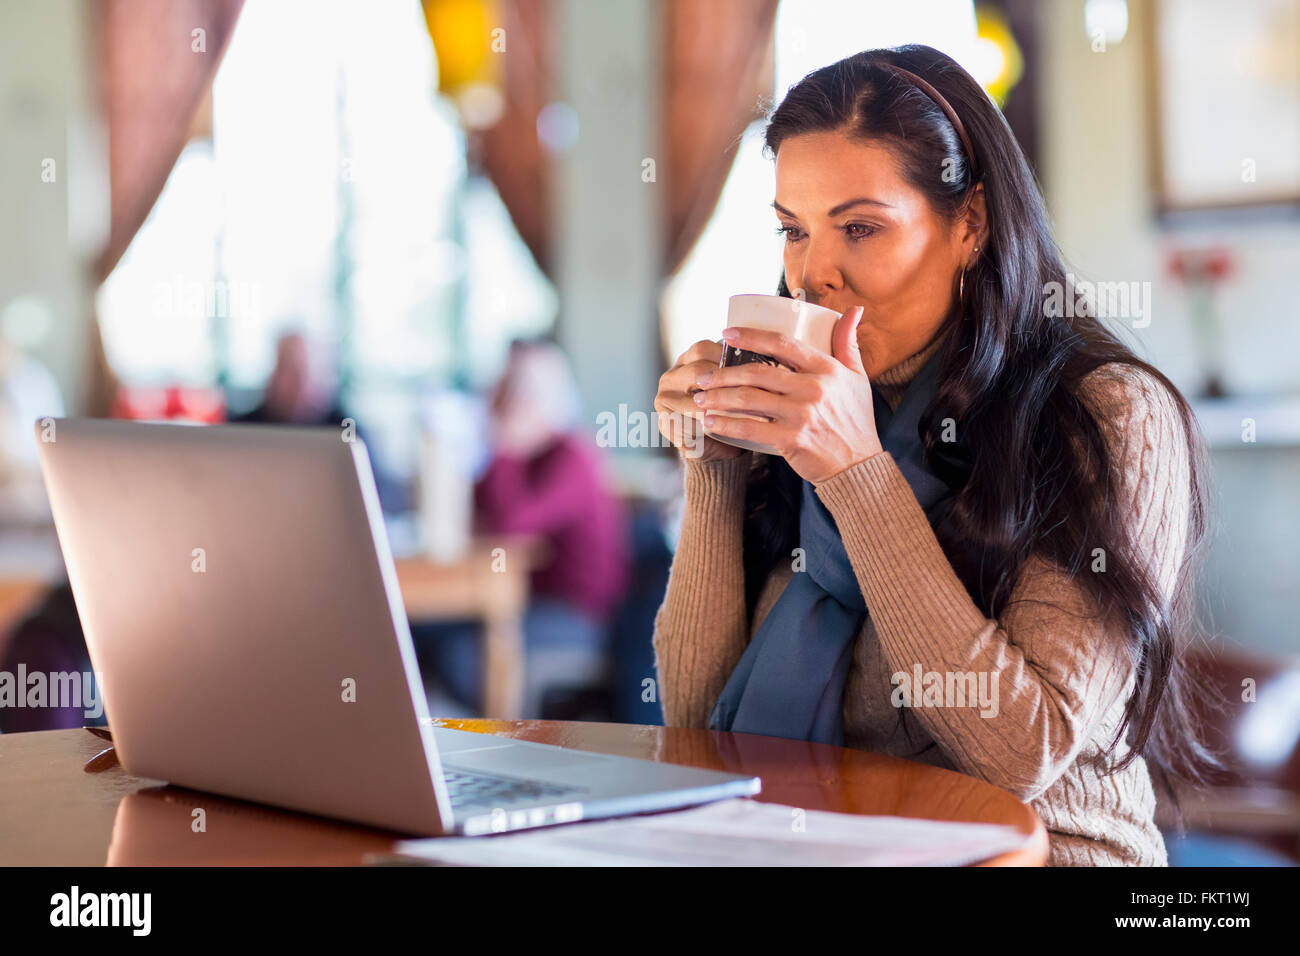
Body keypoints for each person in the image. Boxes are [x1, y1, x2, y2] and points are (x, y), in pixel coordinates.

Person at [651, 46, 1218, 867]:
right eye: (793, 231)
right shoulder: (799, 415)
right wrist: (713, 470)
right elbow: (700, 735)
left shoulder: (1107, 416)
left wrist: (857, 477)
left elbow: (1020, 752)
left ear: (971, 225)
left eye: (860, 228)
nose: (811, 276)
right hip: (822, 852)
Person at [418, 338, 629, 718]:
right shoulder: (527, 455)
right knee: (420, 631)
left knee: (460, 655)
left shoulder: (573, 457)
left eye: (520, 391)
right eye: (506, 387)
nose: (509, 402)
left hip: (576, 616)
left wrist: (504, 442)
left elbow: (506, 527)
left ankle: (501, 740)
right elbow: (476, 511)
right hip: (518, 601)